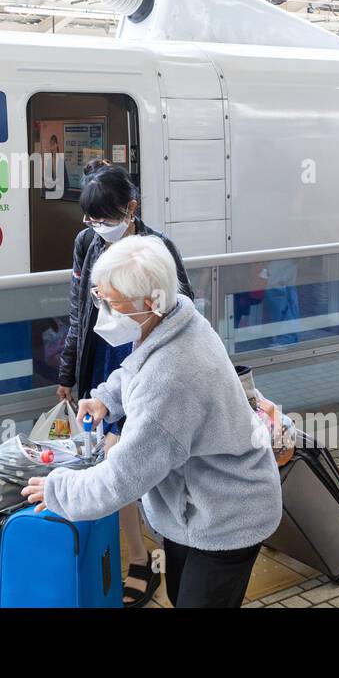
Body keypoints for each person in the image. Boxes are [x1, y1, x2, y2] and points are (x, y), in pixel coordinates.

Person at [24, 234, 282, 607]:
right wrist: (105, 399)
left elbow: (124, 477)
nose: (102, 312)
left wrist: (58, 490)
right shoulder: (176, 317)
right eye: (99, 299)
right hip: (197, 508)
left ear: (148, 303)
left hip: (228, 515)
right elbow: (137, 369)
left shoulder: (172, 379)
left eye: (110, 304)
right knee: (181, 594)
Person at [56, 162, 192, 607]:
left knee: (143, 453)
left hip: (149, 362)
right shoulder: (87, 243)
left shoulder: (158, 248)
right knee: (110, 454)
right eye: (91, 219)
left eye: (104, 218)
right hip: (104, 360)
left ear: (130, 208)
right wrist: (68, 372)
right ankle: (135, 555)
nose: (97, 227)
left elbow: (182, 312)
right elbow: (79, 312)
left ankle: (170, 545)